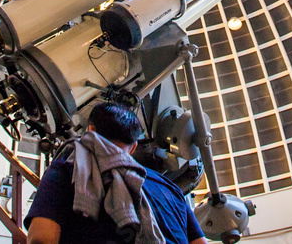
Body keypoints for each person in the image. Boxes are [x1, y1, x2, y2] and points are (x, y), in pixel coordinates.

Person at [25, 101, 208, 244]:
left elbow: (41, 238)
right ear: (134, 147)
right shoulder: (171, 188)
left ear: (90, 131)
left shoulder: (71, 168)